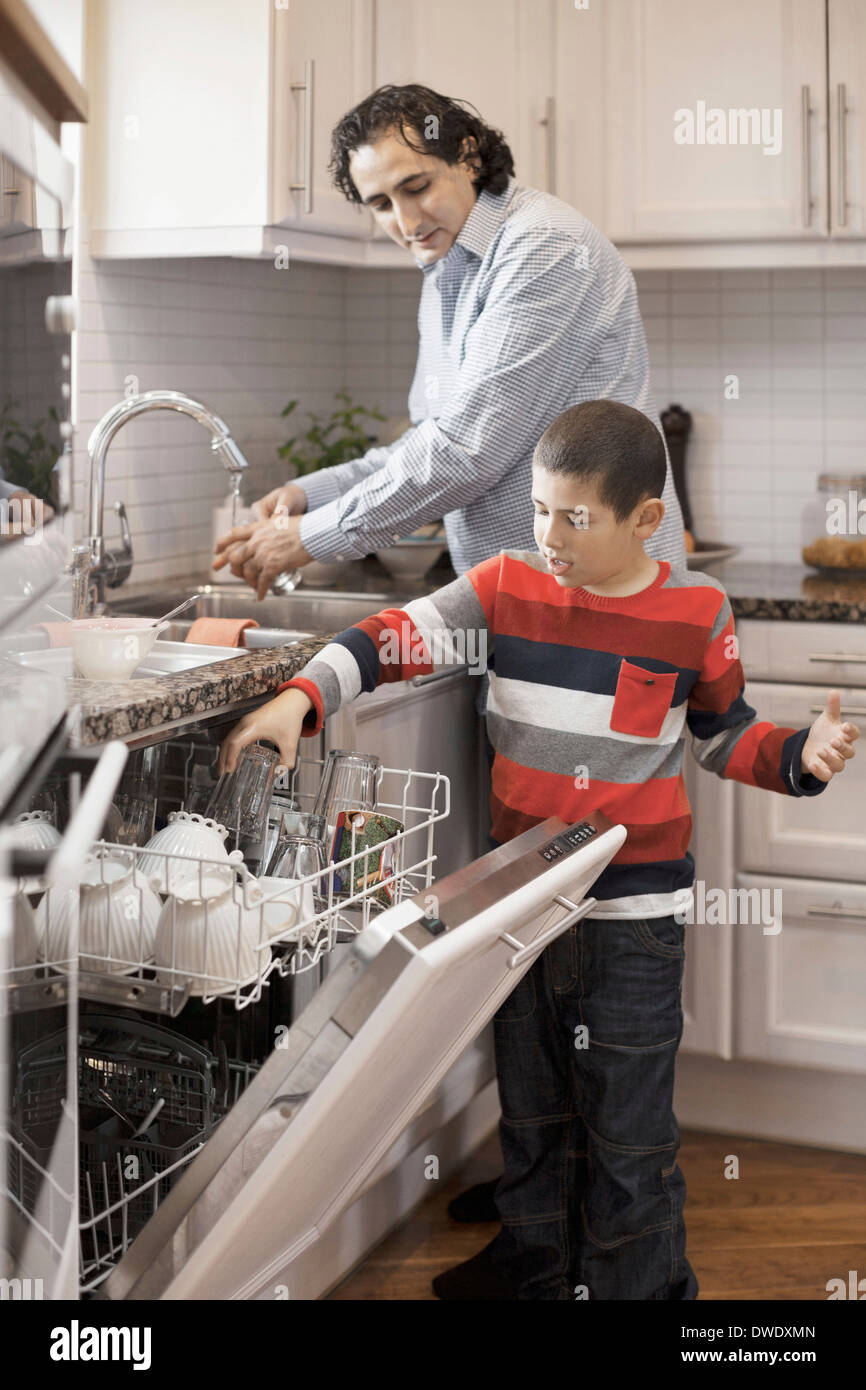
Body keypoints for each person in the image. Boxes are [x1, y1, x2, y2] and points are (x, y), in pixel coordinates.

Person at [217, 399, 860, 1301]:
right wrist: (301, 698)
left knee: (628, 1133)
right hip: (523, 912)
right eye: (539, 511)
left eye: (575, 518)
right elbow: (391, 636)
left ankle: (641, 1289)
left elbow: (724, 736)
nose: (549, 537)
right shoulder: (504, 588)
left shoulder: (695, 612)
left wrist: (800, 758)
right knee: (535, 1111)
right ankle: (537, 1270)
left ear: (645, 520)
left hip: (633, 922)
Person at [211, 82, 686, 604]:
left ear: (467, 154)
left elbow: (467, 451)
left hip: (606, 600)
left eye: (416, 187)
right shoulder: (447, 270)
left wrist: (311, 537)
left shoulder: (544, 245)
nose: (406, 222)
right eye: (382, 204)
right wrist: (312, 493)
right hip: (527, 601)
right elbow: (433, 439)